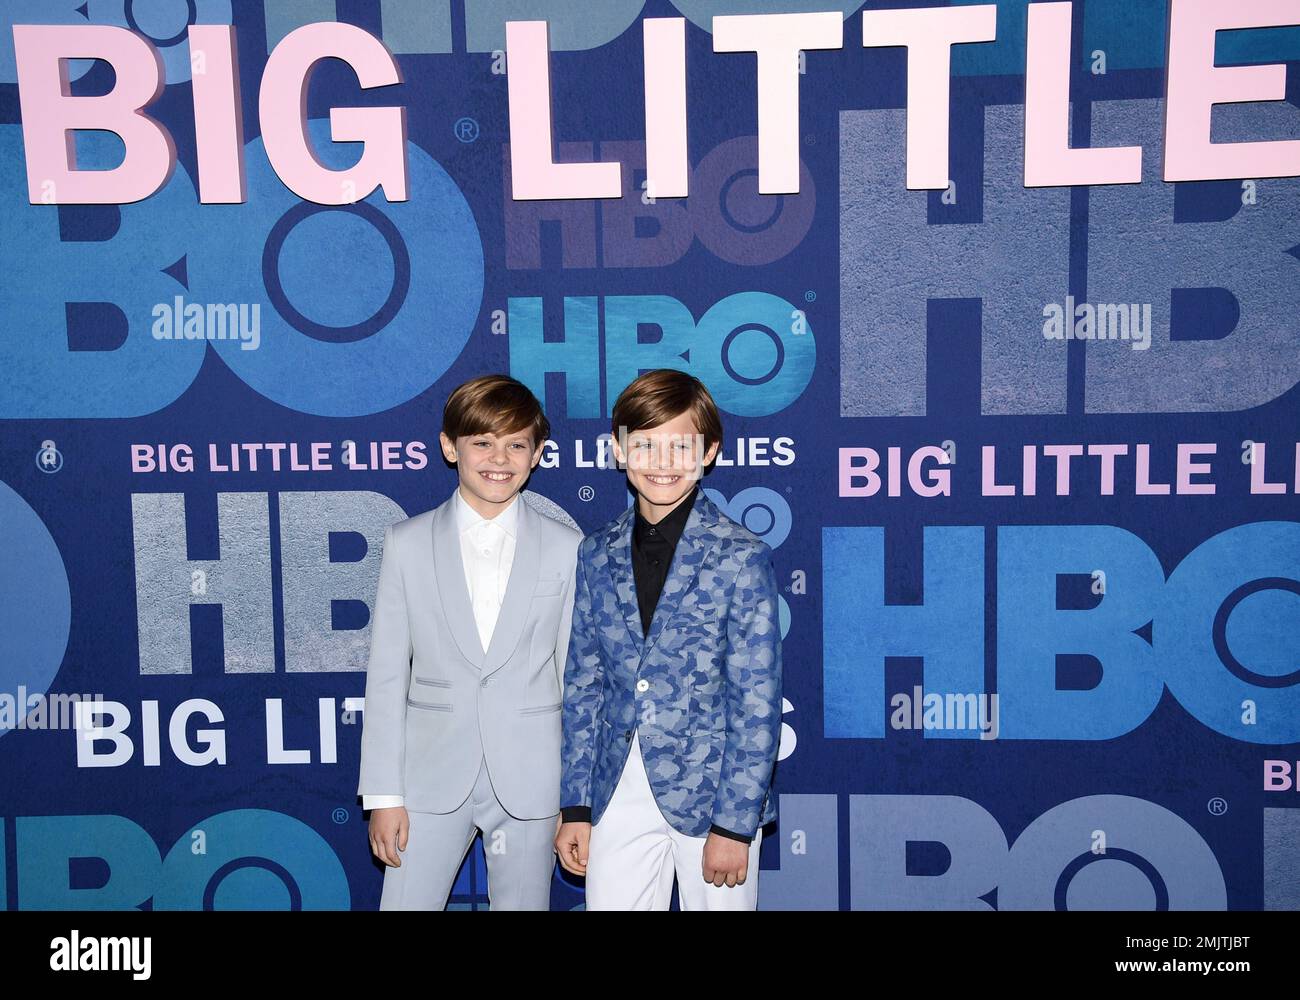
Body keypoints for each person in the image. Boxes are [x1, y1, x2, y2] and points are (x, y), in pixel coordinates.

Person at [555, 368, 782, 910]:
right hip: (616, 789)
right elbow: (584, 684)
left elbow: (757, 701)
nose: (663, 462)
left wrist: (734, 822)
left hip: (711, 796)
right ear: (618, 449)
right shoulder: (595, 553)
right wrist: (576, 807)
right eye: (647, 445)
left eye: (681, 445)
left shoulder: (740, 555)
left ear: (709, 452)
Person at [358, 374, 581, 910]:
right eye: (482, 442)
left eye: (515, 444)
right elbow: (387, 675)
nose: (498, 458)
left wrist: (577, 803)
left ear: (537, 454)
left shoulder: (568, 548)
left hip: (532, 782)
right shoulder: (406, 543)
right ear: (449, 445)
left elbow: (576, 684)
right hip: (428, 780)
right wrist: (384, 796)